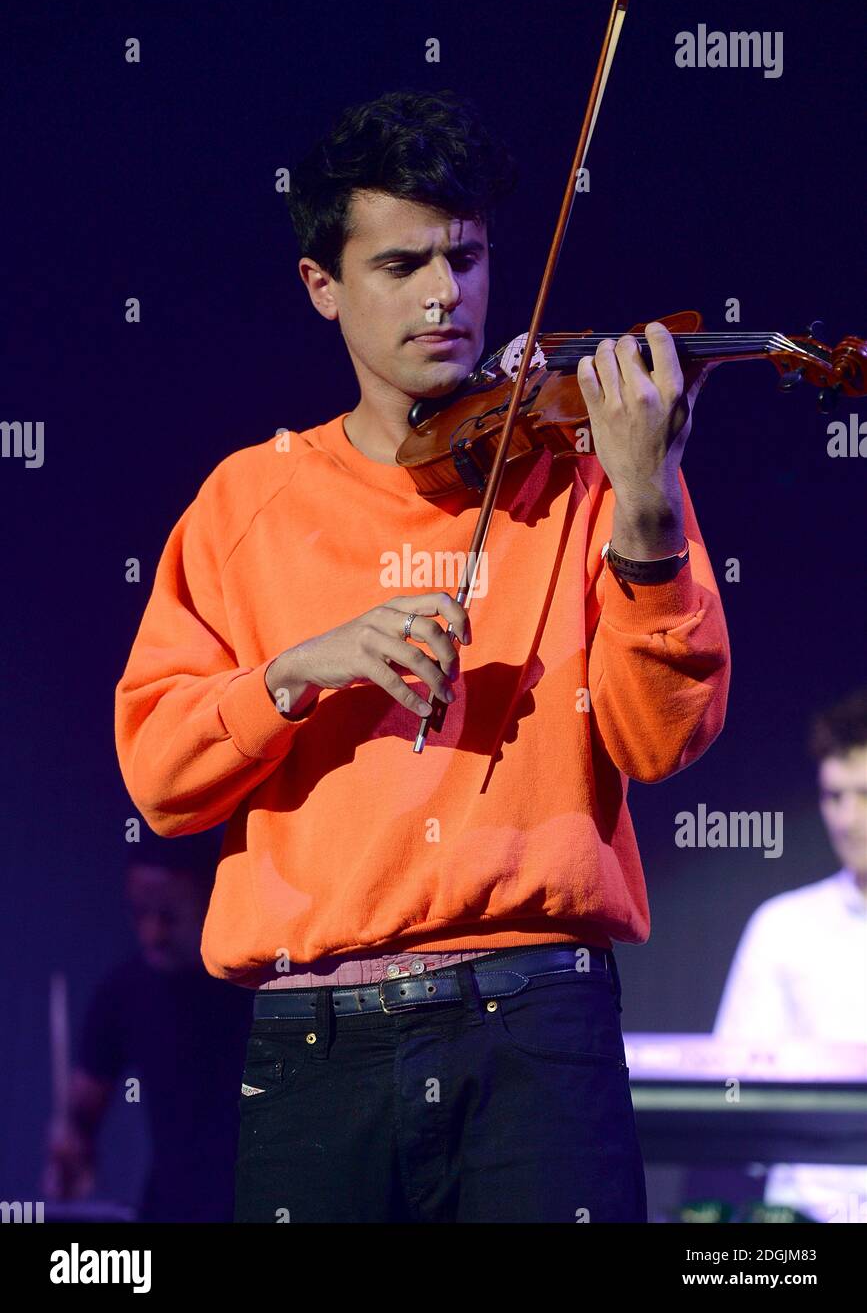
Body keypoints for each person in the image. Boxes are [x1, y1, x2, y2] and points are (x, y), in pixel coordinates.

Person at [114, 88, 730, 1223]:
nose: (448, 296)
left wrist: (648, 505)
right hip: (316, 1048)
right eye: (403, 266)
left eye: (468, 257)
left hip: (536, 1030)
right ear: (322, 286)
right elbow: (160, 781)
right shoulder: (247, 502)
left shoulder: (587, 474)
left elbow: (665, 739)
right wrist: (302, 670)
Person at [714, 687, 867, 1223]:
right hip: (803, 1217)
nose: (847, 819)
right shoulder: (783, 926)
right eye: (835, 797)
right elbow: (729, 1086)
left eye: (864, 794)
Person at [42, 833, 253, 1222]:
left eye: (170, 915)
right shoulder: (123, 992)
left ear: (212, 899)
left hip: (260, 1204)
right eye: (140, 913)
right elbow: (85, 1103)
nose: (152, 933)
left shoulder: (260, 986)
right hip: (170, 1208)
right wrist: (73, 1138)